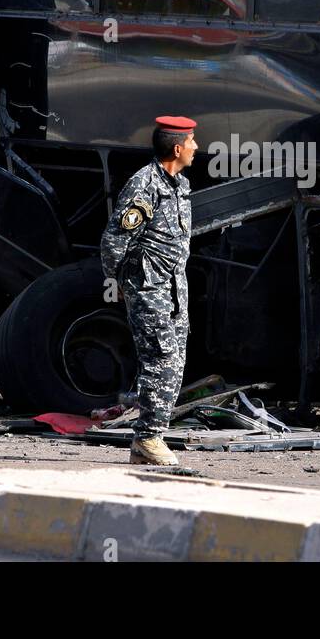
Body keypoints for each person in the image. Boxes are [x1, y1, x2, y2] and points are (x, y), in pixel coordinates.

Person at [100, 116, 198, 466]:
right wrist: (120, 282)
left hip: (174, 290)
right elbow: (115, 240)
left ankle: (148, 440)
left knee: (174, 362)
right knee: (160, 360)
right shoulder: (145, 185)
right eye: (191, 142)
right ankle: (148, 437)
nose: (196, 147)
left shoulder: (179, 185)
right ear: (177, 148)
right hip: (148, 287)